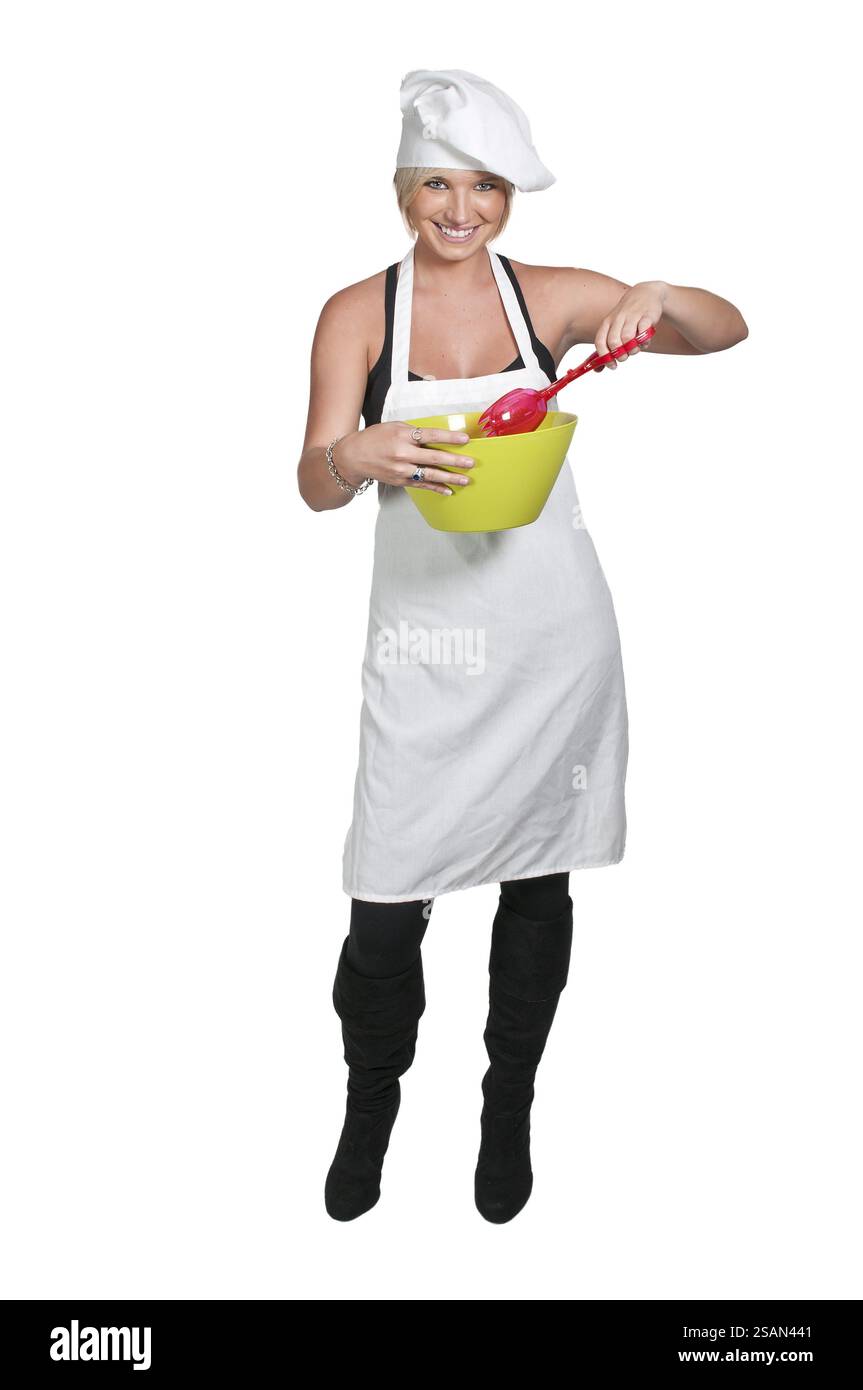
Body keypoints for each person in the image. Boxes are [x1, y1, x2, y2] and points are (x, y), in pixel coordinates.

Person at [298, 69, 748, 1223]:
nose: (461, 210)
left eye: (485, 186)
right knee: (382, 904)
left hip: (549, 649)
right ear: (405, 186)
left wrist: (656, 294)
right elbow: (310, 480)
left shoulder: (547, 297)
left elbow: (720, 329)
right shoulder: (358, 313)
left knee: (534, 880)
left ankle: (508, 1102)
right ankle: (370, 1100)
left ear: (509, 194)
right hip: (420, 660)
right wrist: (360, 456)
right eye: (438, 183)